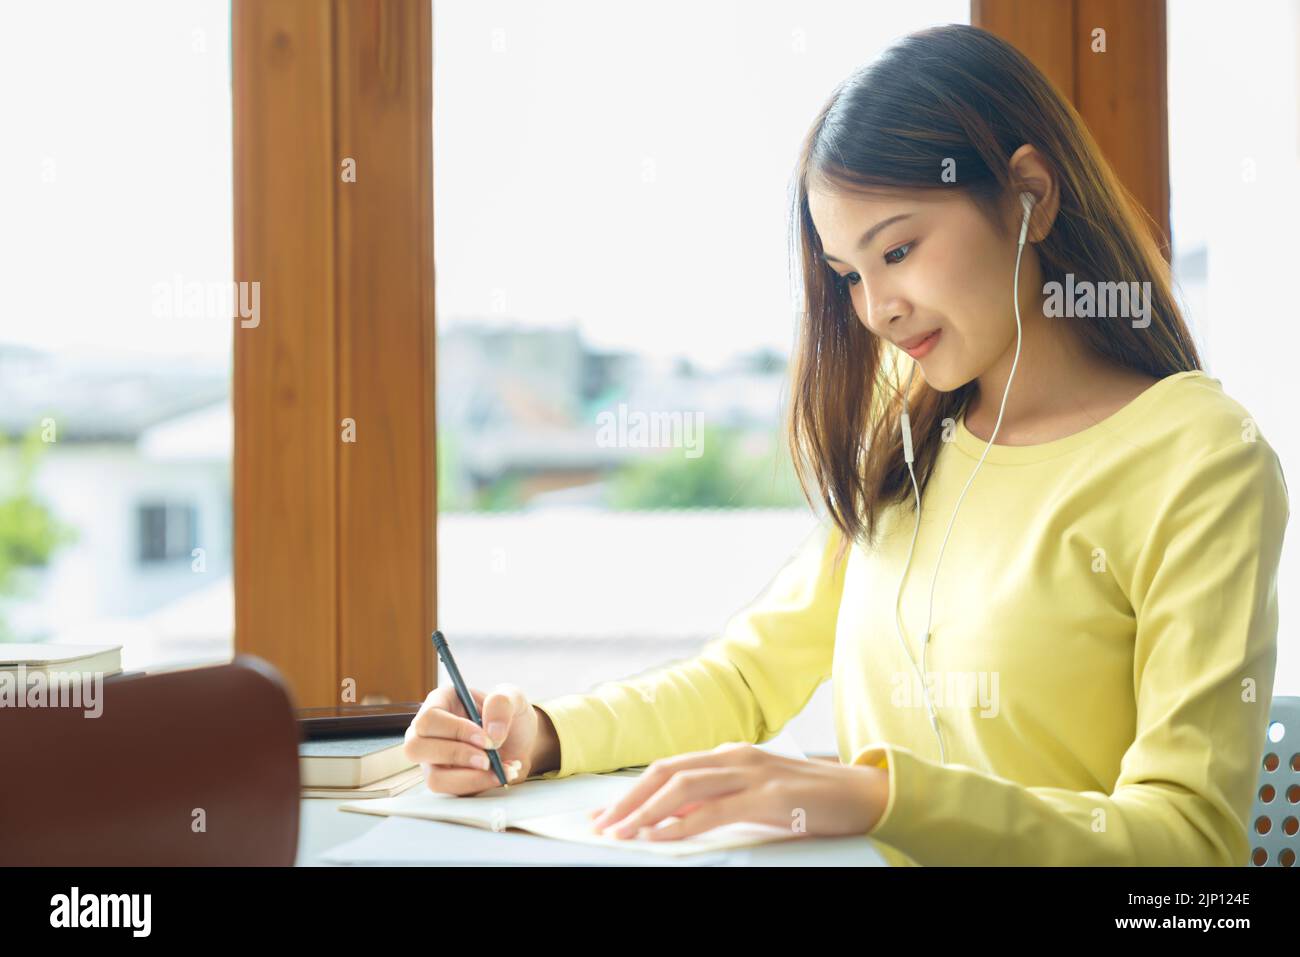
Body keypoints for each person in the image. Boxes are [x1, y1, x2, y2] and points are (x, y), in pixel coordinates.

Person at [402, 23, 1290, 866]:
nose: (876, 308)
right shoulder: (905, 443)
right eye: (849, 276)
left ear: (1030, 195)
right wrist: (543, 733)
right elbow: (746, 679)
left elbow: (1188, 846)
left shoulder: (1198, 459)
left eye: (898, 249)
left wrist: (875, 796)